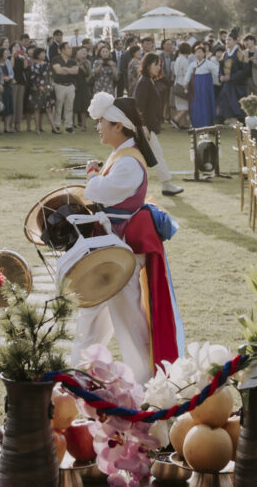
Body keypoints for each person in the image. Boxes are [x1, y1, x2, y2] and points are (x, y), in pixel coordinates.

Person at [72, 94, 183, 383]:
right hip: (111, 248)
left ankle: (148, 381)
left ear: (118, 126)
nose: (98, 127)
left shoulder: (130, 162)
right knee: (94, 313)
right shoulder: (124, 155)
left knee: (128, 320)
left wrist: (92, 174)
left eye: (101, 122)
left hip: (122, 252)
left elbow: (98, 192)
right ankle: (79, 373)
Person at [133, 54, 183, 196]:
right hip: (145, 127)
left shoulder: (149, 81)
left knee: (142, 157)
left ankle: (165, 185)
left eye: (160, 64)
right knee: (156, 154)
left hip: (148, 126)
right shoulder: (144, 82)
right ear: (148, 65)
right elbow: (138, 106)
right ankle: (166, 184)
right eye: (156, 64)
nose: (159, 67)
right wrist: (142, 126)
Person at [49, 44, 79, 133]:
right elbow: (58, 71)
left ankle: (68, 126)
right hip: (59, 85)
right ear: (62, 50)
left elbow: (75, 71)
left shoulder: (73, 60)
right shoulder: (56, 59)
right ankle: (56, 126)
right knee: (58, 106)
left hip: (70, 85)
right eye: (68, 48)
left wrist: (64, 68)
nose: (71, 50)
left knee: (69, 107)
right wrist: (69, 70)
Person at [188, 43, 216, 130]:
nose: (198, 54)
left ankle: (207, 124)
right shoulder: (193, 64)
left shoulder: (209, 63)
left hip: (206, 85)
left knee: (206, 103)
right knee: (196, 104)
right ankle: (197, 124)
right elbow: (188, 74)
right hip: (196, 86)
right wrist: (185, 82)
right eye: (196, 52)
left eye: (200, 52)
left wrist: (217, 80)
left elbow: (216, 71)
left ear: (204, 53)